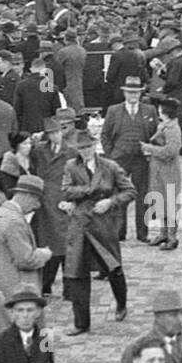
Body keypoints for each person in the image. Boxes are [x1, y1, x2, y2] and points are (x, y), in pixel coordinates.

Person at [60, 129, 134, 335]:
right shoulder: (71, 167)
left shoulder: (110, 167)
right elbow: (66, 190)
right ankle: (81, 322)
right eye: (80, 148)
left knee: (113, 268)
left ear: (95, 147)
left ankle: (121, 304)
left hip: (104, 224)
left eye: (87, 147)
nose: (84, 151)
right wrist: (88, 190)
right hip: (80, 224)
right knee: (77, 272)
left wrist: (110, 202)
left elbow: (130, 191)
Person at [101, 73, 157, 243]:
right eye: (130, 93)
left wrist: (150, 151)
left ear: (141, 94)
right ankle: (119, 231)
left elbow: (155, 135)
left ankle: (142, 233)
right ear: (124, 93)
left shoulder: (149, 110)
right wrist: (111, 156)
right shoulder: (113, 110)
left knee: (143, 196)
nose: (133, 96)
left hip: (141, 159)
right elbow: (105, 135)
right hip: (120, 159)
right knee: (120, 195)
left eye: (136, 93)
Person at [0, 174, 53, 298]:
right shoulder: (15, 221)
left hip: (0, 283)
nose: (37, 206)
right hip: (19, 289)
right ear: (27, 196)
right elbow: (25, 260)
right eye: (37, 200)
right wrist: (44, 254)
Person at [142, 95, 182, 249]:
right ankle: (163, 232)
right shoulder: (164, 125)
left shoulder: (172, 129)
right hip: (158, 170)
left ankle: (172, 237)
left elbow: (171, 151)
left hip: (169, 171)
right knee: (160, 201)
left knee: (170, 202)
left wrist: (149, 148)